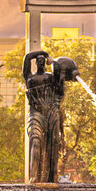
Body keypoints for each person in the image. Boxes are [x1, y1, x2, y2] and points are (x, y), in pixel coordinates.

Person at [22, 51, 65, 182]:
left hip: (51, 112)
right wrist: (43, 53)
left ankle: (52, 178)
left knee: (53, 143)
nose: (40, 62)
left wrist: (52, 60)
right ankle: (34, 178)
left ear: (45, 64)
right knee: (35, 140)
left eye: (42, 61)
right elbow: (27, 57)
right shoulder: (30, 78)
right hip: (36, 113)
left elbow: (59, 74)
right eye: (38, 61)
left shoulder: (50, 77)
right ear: (35, 63)